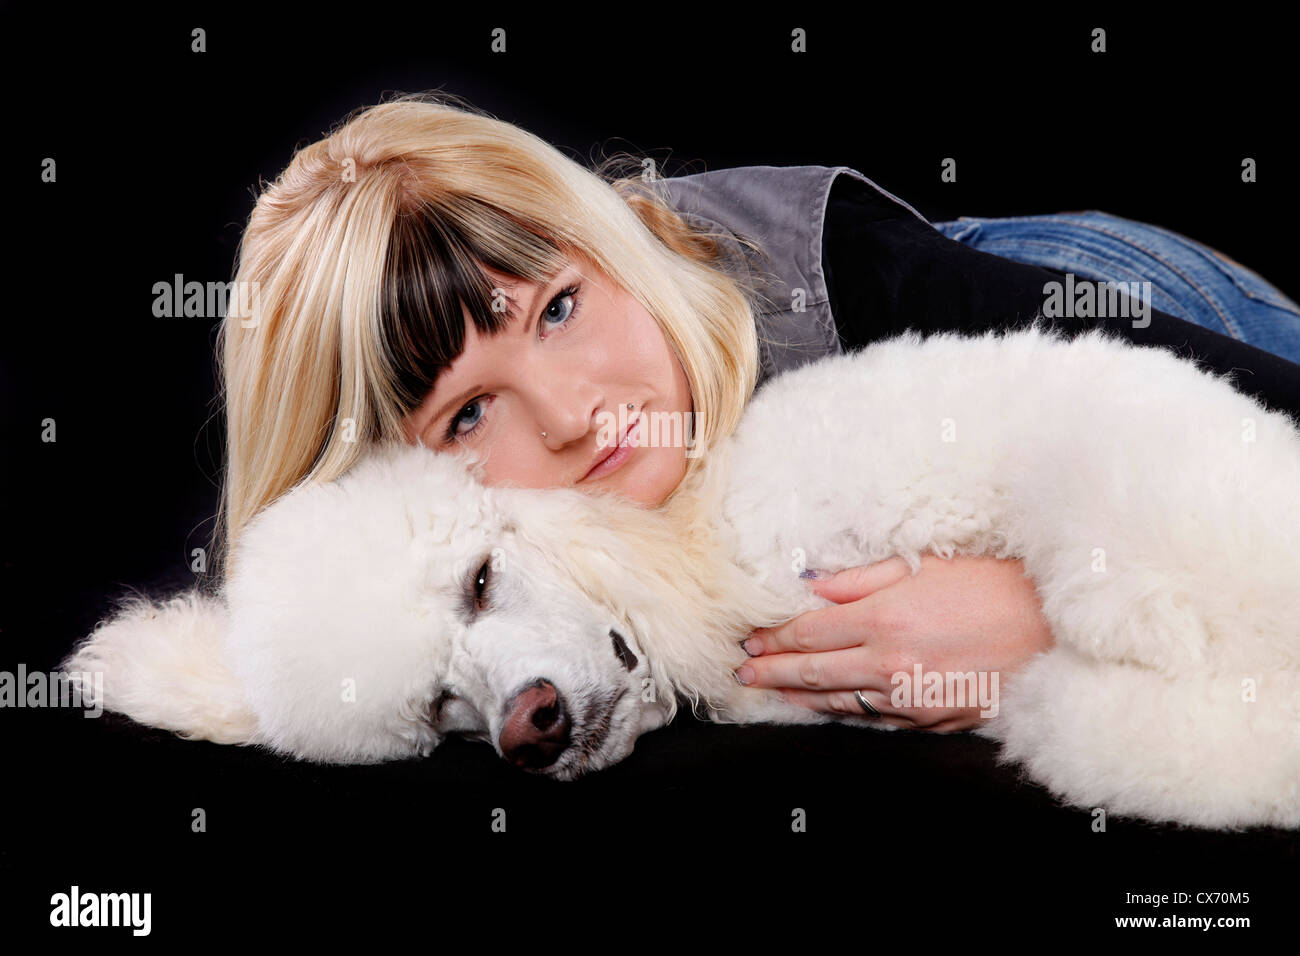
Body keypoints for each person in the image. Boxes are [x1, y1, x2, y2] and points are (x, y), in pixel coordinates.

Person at [214, 91, 1300, 735]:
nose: (572, 414)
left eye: (558, 307)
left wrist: (1048, 618)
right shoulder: (411, 565)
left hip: (1090, 286)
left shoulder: (824, 275)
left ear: (614, 241)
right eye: (465, 415)